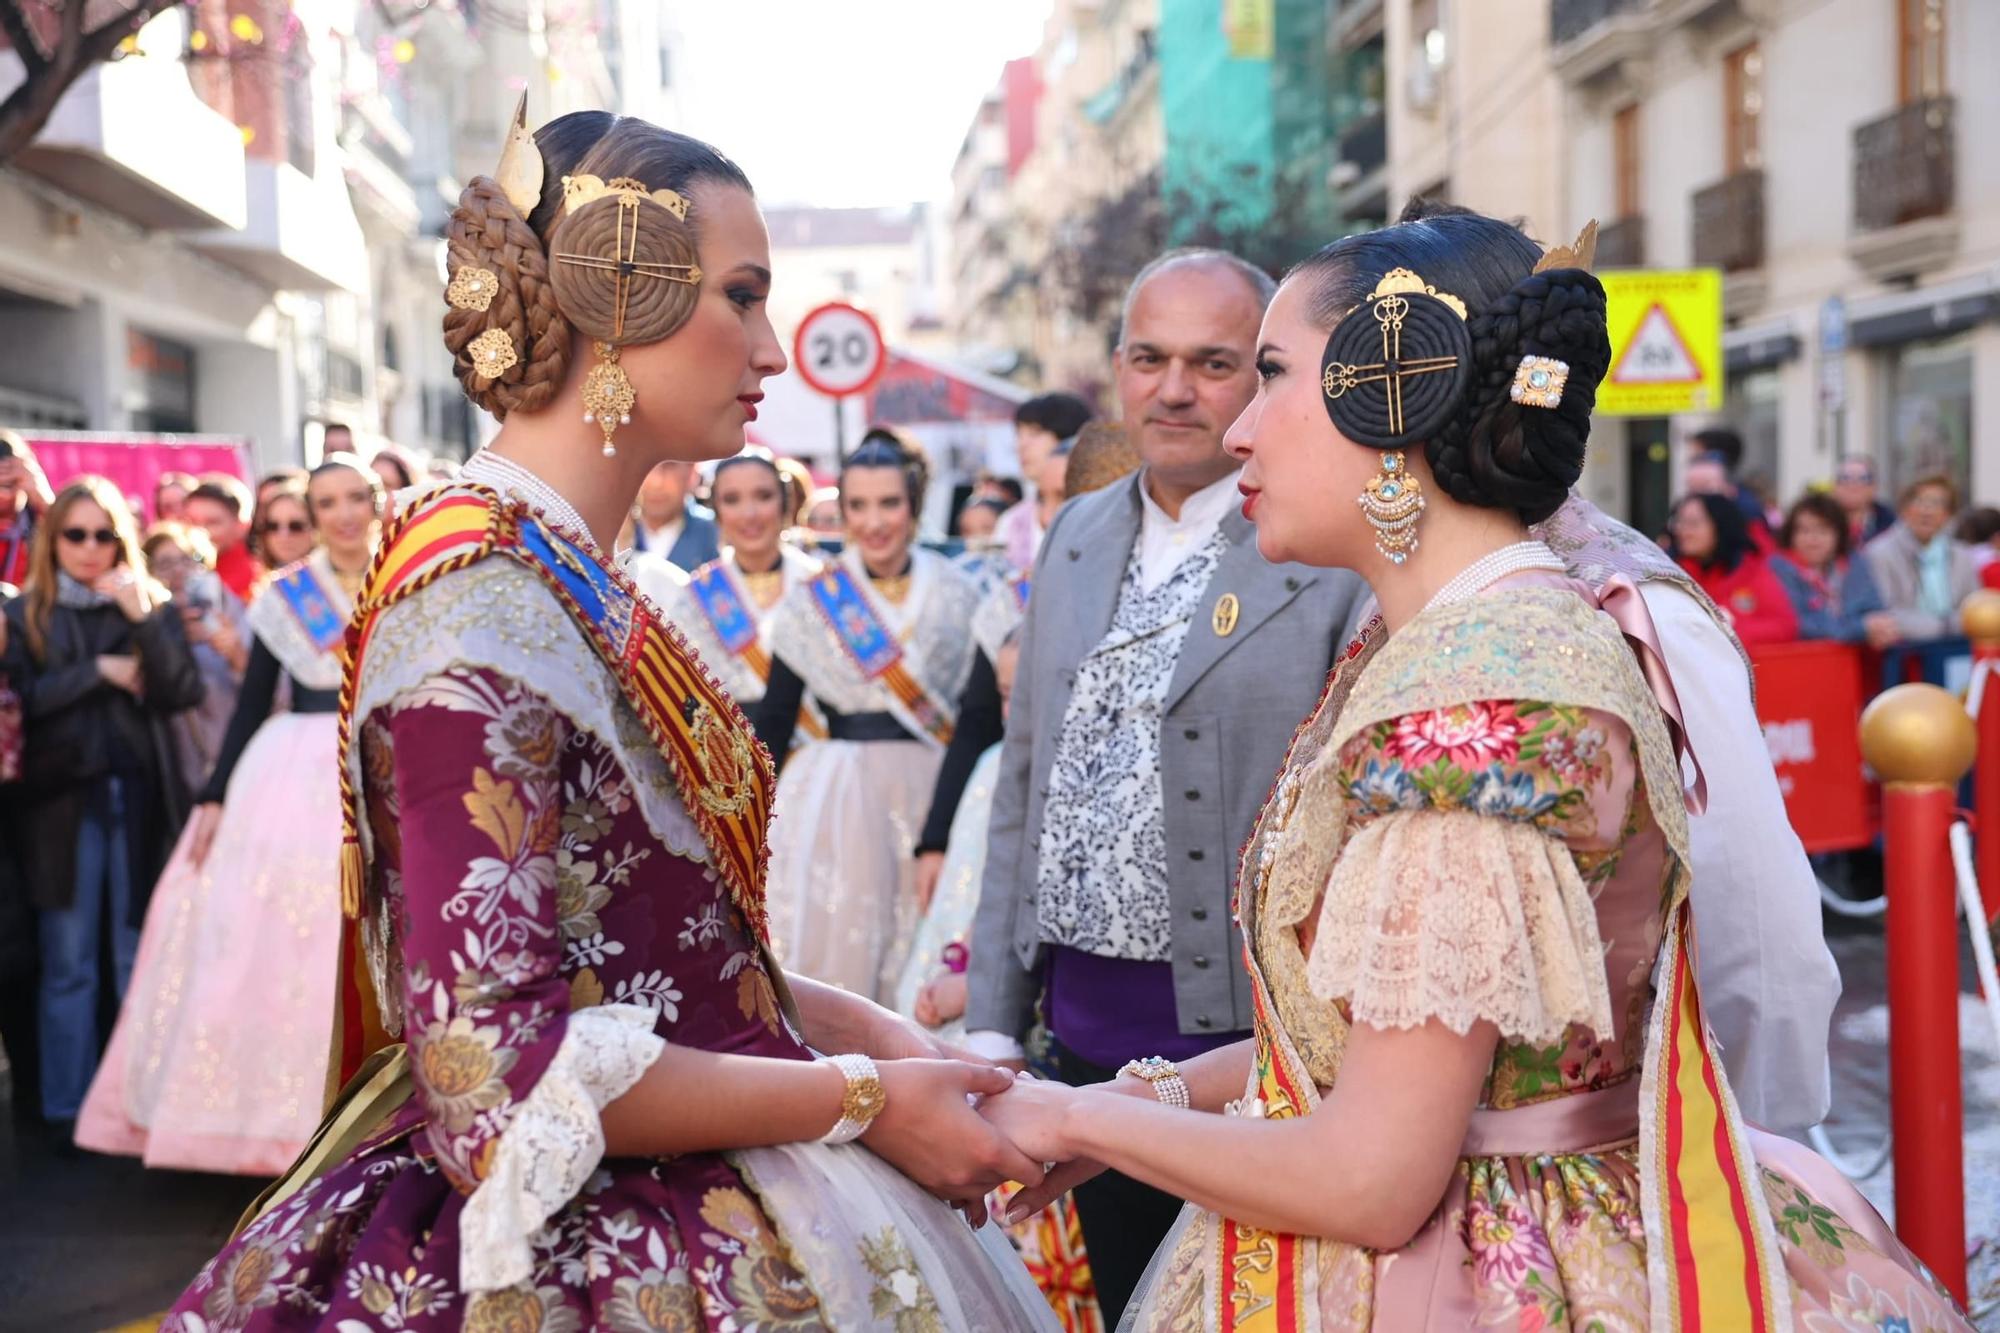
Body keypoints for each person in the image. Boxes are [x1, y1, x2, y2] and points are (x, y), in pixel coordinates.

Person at [981, 208, 1971, 1333]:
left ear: (1388, 401)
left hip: (1481, 1270)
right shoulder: (1456, 640)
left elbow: (1372, 1178)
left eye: (1268, 375)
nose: (1240, 431)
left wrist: (1076, 1126)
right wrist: (1139, 1092)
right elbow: (1370, 1042)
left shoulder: (1474, 698)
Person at [160, 106, 1057, 1331]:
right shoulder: (480, 602)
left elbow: (643, 938)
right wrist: (858, 1096)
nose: (772, 349)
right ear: (614, 297)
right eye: (740, 296)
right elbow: (501, 1082)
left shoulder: (566, 573)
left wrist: (859, 1027)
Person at [968, 247, 1370, 1322]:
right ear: (1115, 369)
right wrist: (991, 1022)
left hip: (1247, 1051)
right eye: (1148, 358)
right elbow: (1026, 773)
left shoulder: (1317, 541)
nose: (1175, 389)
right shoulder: (1077, 532)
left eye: (1213, 360)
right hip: (1081, 1031)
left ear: (1266, 377)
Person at [76, 456, 380, 1173]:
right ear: (305, 517)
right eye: (325, 503)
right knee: (274, 947)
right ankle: (273, 1124)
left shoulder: (403, 576)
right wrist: (214, 793)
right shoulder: (286, 596)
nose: (342, 514)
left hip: (379, 761)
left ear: (374, 502)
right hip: (292, 777)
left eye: (354, 498)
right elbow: (252, 703)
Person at [1, 477, 203, 1135]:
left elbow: (179, 691)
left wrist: (148, 619)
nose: (90, 548)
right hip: (56, 807)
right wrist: (100, 673)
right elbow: (23, 701)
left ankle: (132, 1106)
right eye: (76, 534)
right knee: (68, 963)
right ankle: (65, 1108)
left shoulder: (145, 603)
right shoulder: (24, 612)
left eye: (104, 534)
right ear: (53, 537)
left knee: (135, 955)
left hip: (139, 798)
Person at [751, 431, 981, 1001]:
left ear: (915, 506)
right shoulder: (814, 598)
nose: (874, 522)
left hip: (939, 789)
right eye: (858, 505)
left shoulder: (958, 591)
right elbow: (775, 721)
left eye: (889, 503)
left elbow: (978, 718)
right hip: (840, 799)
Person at [642, 447, 824, 733]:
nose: (749, 514)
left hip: (820, 758)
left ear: (785, 503)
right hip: (733, 759)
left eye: (763, 496)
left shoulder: (822, 586)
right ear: (716, 511)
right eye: (732, 500)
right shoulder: (693, 597)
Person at [141, 523, 248, 795]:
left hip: (238, 764)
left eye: (190, 560)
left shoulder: (232, 613)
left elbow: (274, 694)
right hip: (175, 776)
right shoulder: (145, 625)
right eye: (165, 564)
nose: (179, 572)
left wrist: (234, 652)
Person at [1862, 472, 1980, 643]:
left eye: (1937, 503)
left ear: (1948, 514)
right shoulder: (1879, 552)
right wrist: (1942, 626)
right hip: (1902, 651)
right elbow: (1883, 612)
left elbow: (1974, 607)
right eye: (1919, 502)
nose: (1927, 511)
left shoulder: (1962, 554)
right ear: (1904, 509)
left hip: (1956, 648)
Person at [1667, 492, 1798, 645]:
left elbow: (1785, 626)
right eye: (1679, 522)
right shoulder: (1670, 574)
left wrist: (1727, 630)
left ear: (1720, 525)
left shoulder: (1751, 571)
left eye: (1693, 523)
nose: (1683, 531)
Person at [1770, 491, 1888, 642]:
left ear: (1839, 535)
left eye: (1822, 531)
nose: (1813, 539)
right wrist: (1859, 628)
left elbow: (1873, 607)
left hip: (1853, 655)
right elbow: (1800, 624)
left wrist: (1878, 625)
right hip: (1806, 657)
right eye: (1804, 530)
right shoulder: (1779, 569)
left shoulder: (1852, 563)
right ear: (1791, 535)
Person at [998, 392, 1093, 572]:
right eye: (1019, 434)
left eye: (1034, 433)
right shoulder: (1012, 523)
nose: (1021, 445)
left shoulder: (1105, 516)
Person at [632, 457, 722, 569]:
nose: (656, 483)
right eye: (645, 466)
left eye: (669, 466)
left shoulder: (717, 533)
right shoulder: (614, 535)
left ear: (692, 470)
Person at [183, 475, 261, 603]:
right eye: (192, 521)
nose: (200, 531)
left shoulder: (256, 582)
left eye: (212, 522)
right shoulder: (181, 574)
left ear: (242, 526)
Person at [0, 429, 54, 589]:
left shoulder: (42, 518)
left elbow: (73, 537)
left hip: (30, 610)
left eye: (11, 483)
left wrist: (44, 497)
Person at [250, 475, 316, 572]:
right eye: (272, 526)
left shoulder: (335, 582)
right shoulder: (260, 584)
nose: (283, 536)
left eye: (296, 526)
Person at [1834, 454, 1897, 546]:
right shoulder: (1821, 523)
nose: (1852, 485)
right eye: (1845, 478)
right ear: (1835, 487)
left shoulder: (1893, 527)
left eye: (1862, 478)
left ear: (1874, 487)